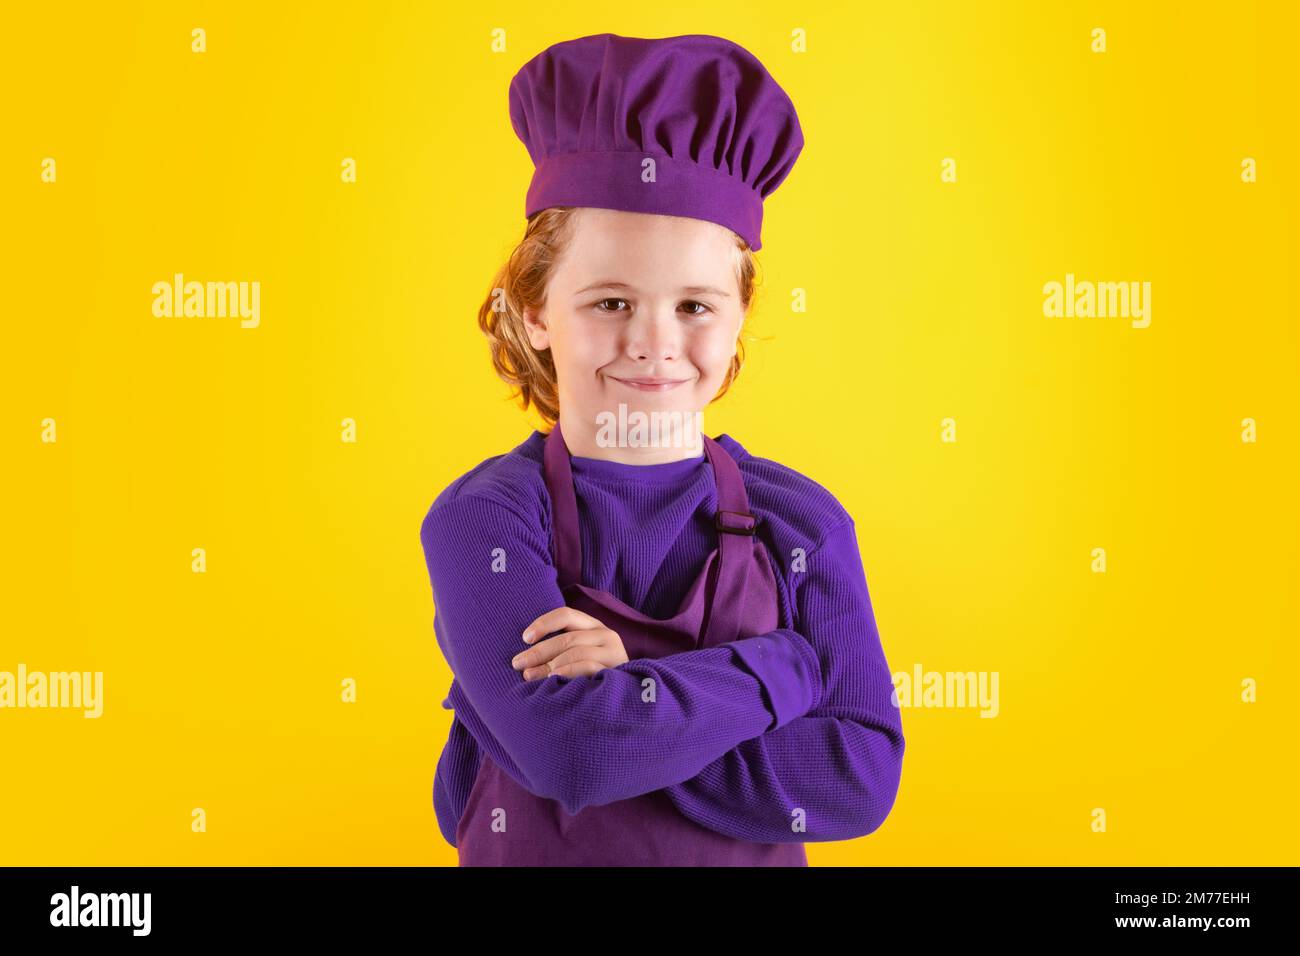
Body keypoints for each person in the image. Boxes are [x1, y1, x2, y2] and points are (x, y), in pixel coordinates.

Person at [421, 31, 905, 866]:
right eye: (610, 301)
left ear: (740, 314)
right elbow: (571, 756)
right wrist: (779, 671)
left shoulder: (804, 521)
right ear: (536, 312)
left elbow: (857, 780)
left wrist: (630, 685)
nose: (653, 343)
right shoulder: (485, 521)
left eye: (694, 306)